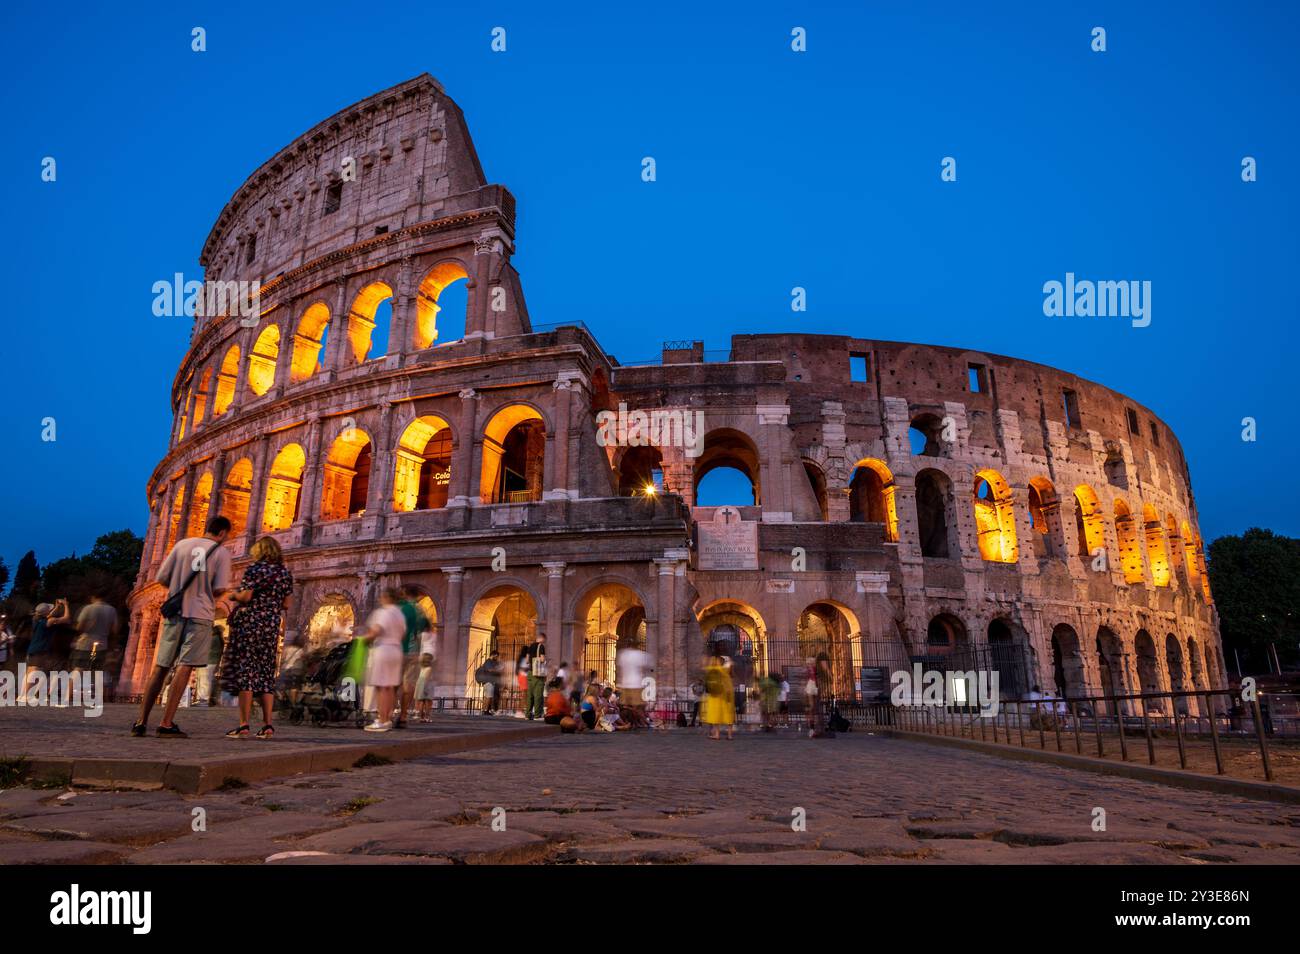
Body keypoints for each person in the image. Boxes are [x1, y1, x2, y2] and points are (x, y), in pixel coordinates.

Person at [132, 517, 233, 737]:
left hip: (175, 612)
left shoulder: (182, 545)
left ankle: (141, 721)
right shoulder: (221, 553)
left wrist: (180, 587)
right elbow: (219, 588)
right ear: (223, 533)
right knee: (185, 666)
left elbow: (163, 578)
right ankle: (166, 723)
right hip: (200, 614)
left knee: (161, 666)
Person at [222, 535, 294, 739]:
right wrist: (271, 605)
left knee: (247, 673)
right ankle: (267, 725)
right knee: (266, 674)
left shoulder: (255, 569)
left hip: (251, 623)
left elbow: (246, 596)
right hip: (271, 625)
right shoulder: (284, 573)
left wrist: (234, 595)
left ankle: (244, 725)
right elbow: (287, 604)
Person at [360, 589, 406, 732]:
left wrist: (363, 639)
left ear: (385, 598)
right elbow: (403, 634)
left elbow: (376, 630)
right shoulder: (399, 614)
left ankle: (382, 719)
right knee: (390, 686)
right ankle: (388, 719)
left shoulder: (383, 612)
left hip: (383, 649)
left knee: (381, 687)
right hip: (397, 650)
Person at [396, 586, 430, 728]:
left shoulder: (401, 607)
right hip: (414, 652)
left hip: (399, 649)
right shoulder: (421, 609)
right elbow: (427, 629)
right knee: (408, 684)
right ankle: (403, 715)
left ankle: (385, 714)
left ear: (404, 594)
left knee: (393, 684)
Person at [71, 592, 117, 675]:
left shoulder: (88, 608)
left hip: (86, 642)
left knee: (78, 669)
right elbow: (114, 629)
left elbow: (79, 627)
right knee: (97, 671)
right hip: (102, 643)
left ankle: (70, 688)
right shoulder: (112, 610)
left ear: (93, 597)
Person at [701, 650, 735, 741]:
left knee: (715, 715)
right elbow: (729, 663)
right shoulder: (724, 670)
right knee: (728, 715)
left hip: (715, 696)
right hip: (726, 695)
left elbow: (704, 668)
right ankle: (730, 735)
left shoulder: (711, 670)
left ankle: (717, 734)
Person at [521, 632, 548, 720]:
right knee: (538, 694)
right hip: (538, 674)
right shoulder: (541, 646)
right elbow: (542, 659)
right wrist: (544, 660)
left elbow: (527, 660)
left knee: (530, 694)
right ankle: (537, 715)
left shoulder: (530, 646)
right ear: (542, 638)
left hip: (530, 673)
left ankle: (528, 715)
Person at [476, 650, 503, 715]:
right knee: (489, 697)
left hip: (489, 681)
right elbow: (490, 670)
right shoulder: (488, 661)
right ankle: (485, 710)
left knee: (487, 696)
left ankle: (484, 710)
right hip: (488, 682)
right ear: (493, 655)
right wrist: (498, 670)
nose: (497, 658)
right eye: (496, 656)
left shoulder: (492, 662)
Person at [415, 652, 436, 722]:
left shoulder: (422, 668)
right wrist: (426, 689)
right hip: (426, 685)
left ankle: (421, 717)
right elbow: (427, 679)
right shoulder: (429, 668)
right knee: (428, 703)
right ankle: (427, 717)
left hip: (420, 684)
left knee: (421, 702)